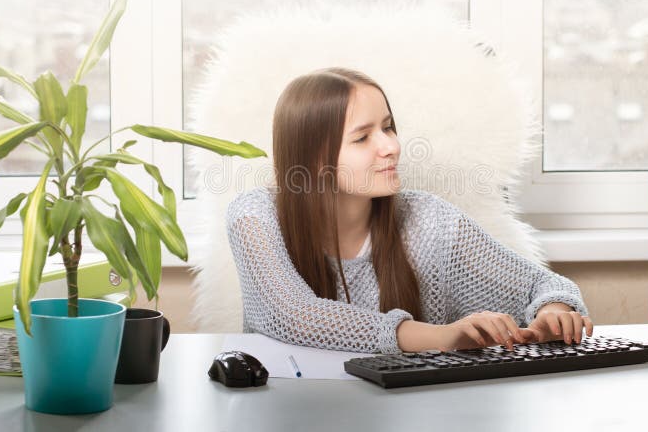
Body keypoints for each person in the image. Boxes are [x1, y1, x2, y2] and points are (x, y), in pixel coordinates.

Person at [226, 67, 593, 354]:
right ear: (315, 158)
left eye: (388, 128)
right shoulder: (254, 216)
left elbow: (543, 285)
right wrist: (443, 337)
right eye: (362, 137)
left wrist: (553, 313)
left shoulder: (430, 221)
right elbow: (294, 315)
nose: (391, 146)